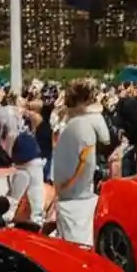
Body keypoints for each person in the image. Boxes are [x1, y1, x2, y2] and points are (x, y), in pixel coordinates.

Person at [52, 79, 111, 246]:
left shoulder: (76, 124)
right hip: (84, 191)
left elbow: (78, 161)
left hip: (73, 195)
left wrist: (65, 186)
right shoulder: (94, 121)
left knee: (74, 243)